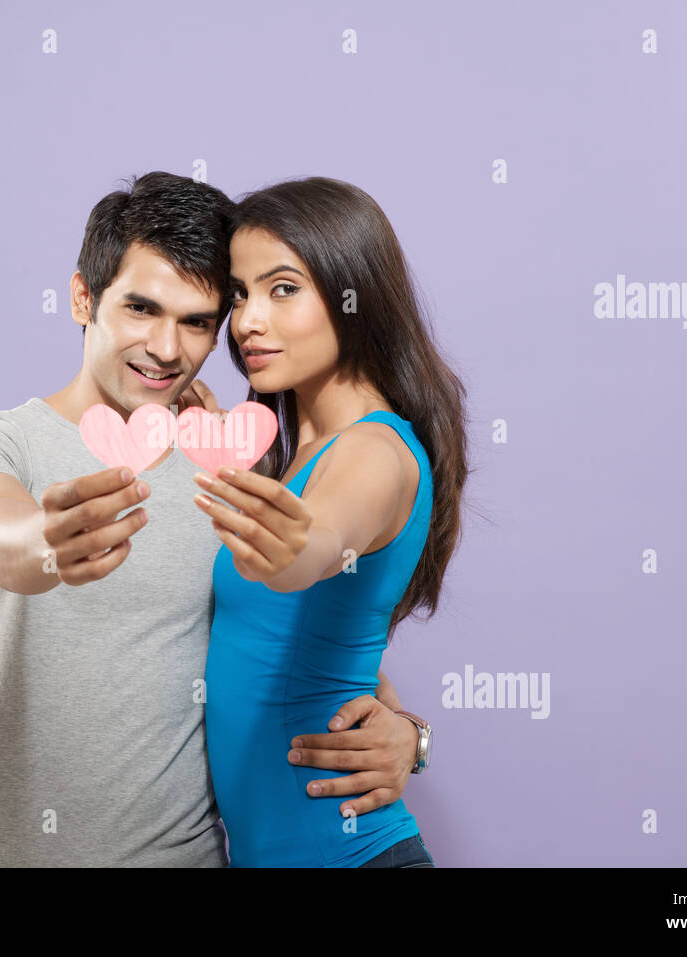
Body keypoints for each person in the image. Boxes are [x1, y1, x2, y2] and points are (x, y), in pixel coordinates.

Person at [0, 171, 429, 866]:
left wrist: (403, 731)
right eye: (140, 309)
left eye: (196, 322)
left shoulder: (228, 469)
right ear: (81, 298)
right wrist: (44, 541)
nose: (166, 347)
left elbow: (302, 635)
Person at [195, 177, 469, 867]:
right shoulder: (294, 458)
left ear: (354, 292)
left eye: (282, 288)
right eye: (239, 294)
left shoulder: (375, 452)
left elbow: (312, 544)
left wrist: (286, 548)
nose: (249, 320)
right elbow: (307, 642)